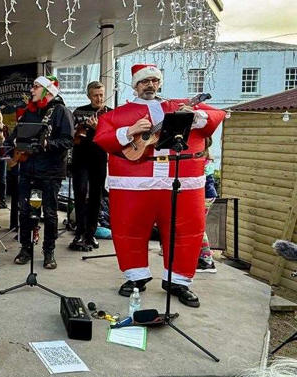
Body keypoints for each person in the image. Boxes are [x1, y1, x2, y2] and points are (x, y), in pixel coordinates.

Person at [94, 64, 225, 308]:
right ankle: (136, 276)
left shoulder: (179, 105)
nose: (150, 85)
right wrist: (130, 131)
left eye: (154, 80)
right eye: (145, 81)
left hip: (183, 181)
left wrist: (194, 117)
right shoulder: (116, 114)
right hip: (133, 183)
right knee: (129, 230)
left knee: (186, 231)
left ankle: (178, 281)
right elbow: (102, 138)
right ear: (135, 85)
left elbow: (216, 116)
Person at [10, 75, 74, 270]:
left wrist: (48, 144)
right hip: (29, 172)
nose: (32, 90)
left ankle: (49, 251)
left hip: (51, 173)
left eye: (36, 87)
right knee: (27, 211)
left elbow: (68, 141)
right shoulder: (29, 112)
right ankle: (26, 248)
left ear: (47, 90)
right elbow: (15, 135)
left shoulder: (61, 111)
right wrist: (14, 142)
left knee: (50, 213)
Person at [69, 81, 111, 252]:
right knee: (79, 194)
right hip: (80, 158)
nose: (99, 98)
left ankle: (90, 234)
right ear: (88, 95)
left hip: (99, 158)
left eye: (101, 94)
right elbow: (71, 134)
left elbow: (113, 137)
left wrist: (98, 127)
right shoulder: (79, 111)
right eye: (95, 95)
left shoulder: (110, 112)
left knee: (96, 196)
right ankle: (79, 231)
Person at [196, 137, 218, 273]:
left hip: (205, 196)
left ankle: (206, 260)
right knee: (197, 227)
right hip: (208, 195)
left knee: (198, 228)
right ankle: (203, 258)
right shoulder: (207, 159)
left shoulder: (203, 161)